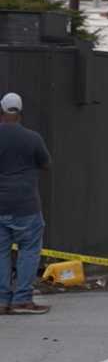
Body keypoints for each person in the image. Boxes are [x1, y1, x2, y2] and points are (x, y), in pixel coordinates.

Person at [0, 92, 51, 315]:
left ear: (1, 111)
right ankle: (22, 299)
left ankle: (2, 301)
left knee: (0, 252)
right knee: (29, 250)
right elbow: (46, 164)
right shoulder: (33, 138)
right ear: (20, 113)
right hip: (26, 205)